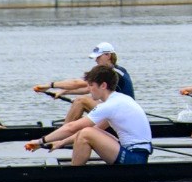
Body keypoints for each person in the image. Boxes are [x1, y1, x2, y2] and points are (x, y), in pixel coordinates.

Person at [25, 65, 155, 165]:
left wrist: (40, 141)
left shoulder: (110, 105)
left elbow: (71, 127)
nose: (89, 89)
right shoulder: (119, 99)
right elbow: (95, 129)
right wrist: (60, 143)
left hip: (134, 158)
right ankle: (75, 173)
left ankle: (73, 176)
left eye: (91, 85)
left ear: (103, 85)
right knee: (88, 131)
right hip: (136, 155)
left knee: (85, 133)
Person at [39, 42, 135, 122]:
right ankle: (72, 129)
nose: (96, 60)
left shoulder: (111, 73)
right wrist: (64, 92)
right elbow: (89, 88)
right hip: (121, 110)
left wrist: (50, 85)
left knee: (80, 101)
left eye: (98, 57)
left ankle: (64, 133)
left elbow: (77, 83)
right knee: (83, 104)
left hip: (122, 114)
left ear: (108, 55)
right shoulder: (119, 69)